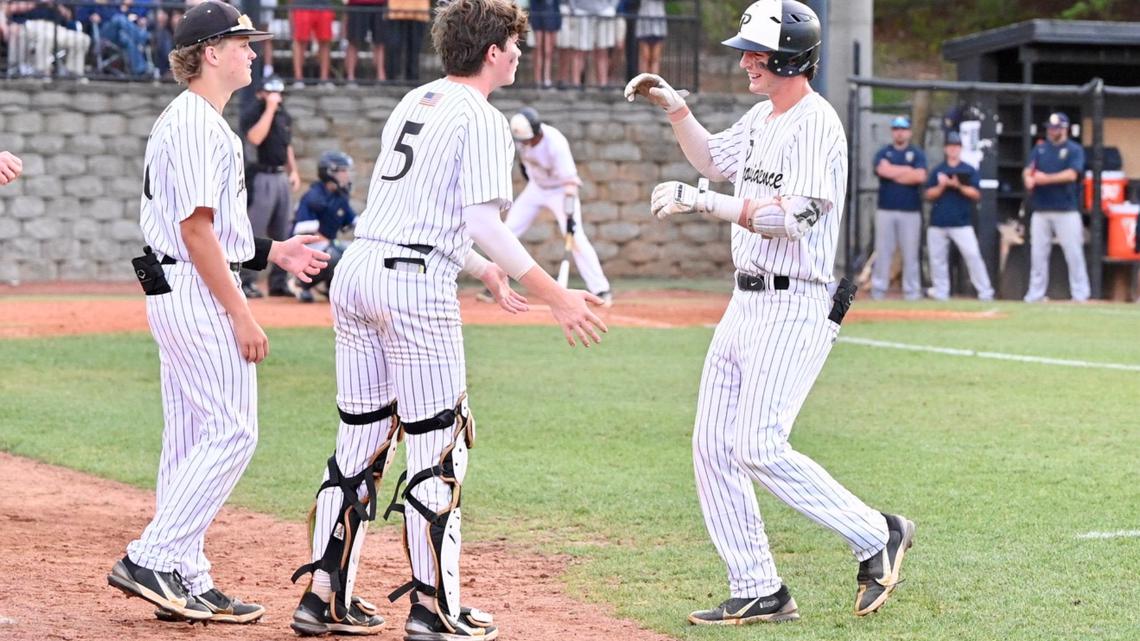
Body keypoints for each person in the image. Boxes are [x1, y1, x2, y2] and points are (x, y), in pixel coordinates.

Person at [287, 1, 607, 638]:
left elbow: (419, 211)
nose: (519, 54)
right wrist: (556, 295)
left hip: (358, 270)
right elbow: (483, 221)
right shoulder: (483, 117)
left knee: (358, 442)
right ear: (492, 52)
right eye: (514, 44)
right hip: (412, 286)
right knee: (438, 448)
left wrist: (481, 268)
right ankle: (434, 610)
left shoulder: (417, 99)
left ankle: (322, 598)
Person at [625, 0, 914, 624]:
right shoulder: (762, 116)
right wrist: (675, 109)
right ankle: (759, 586)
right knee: (711, 446)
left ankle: (877, 533)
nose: (746, 63)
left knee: (757, 443)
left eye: (756, 54)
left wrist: (705, 203)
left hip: (795, 300)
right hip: (745, 301)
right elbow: (713, 161)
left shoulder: (817, 124)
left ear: (789, 58)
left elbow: (795, 218)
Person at [104, 1, 329, 625]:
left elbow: (212, 233)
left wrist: (273, 251)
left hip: (176, 282)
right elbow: (196, 232)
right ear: (210, 52)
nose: (252, 53)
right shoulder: (197, 124)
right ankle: (152, 558)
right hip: (195, 288)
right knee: (234, 431)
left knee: (189, 439)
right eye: (242, 44)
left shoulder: (194, 119)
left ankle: (183, 574)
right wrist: (241, 313)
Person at [477, 107, 612, 305]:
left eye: (528, 140)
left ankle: (601, 290)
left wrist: (569, 214)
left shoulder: (555, 143)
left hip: (561, 191)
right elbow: (524, 165)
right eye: (523, 141)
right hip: (536, 188)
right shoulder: (521, 141)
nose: (526, 144)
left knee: (575, 238)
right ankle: (496, 284)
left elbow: (570, 182)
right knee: (507, 231)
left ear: (537, 131)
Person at [239, 73, 301, 298]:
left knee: (283, 230)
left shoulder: (285, 116)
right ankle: (246, 281)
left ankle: (279, 282)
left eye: (278, 93)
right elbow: (255, 138)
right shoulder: (253, 113)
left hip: (280, 176)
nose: (276, 96)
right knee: (255, 229)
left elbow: (287, 145)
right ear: (260, 94)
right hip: (260, 175)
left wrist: (293, 171)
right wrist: (270, 109)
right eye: (270, 92)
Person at [1022, 112, 1089, 303]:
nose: (1052, 131)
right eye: (1050, 128)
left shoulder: (1074, 149)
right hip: (1041, 209)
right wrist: (1028, 178)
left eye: (1056, 128)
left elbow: (1072, 175)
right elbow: (1028, 169)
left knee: (1073, 253)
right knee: (1038, 254)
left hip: (1066, 209)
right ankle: (1035, 294)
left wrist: (1045, 179)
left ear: (1065, 129)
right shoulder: (1040, 148)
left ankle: (1080, 294)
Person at [923, 131, 994, 301]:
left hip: (961, 222)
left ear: (960, 148)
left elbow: (976, 194)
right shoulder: (938, 170)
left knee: (973, 255)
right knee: (937, 260)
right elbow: (928, 194)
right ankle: (941, 292)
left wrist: (958, 185)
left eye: (956, 146)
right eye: (950, 146)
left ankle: (985, 292)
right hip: (939, 221)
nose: (953, 149)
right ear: (945, 149)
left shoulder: (968, 170)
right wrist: (942, 186)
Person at [871, 115, 927, 300]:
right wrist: (907, 171)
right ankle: (878, 291)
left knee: (910, 254)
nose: (900, 132)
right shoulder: (883, 152)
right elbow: (881, 170)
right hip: (885, 210)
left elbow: (920, 176)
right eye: (896, 129)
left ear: (909, 132)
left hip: (910, 211)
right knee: (883, 251)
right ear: (892, 132)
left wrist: (892, 171)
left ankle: (912, 292)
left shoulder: (917, 153)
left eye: (903, 129)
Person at [291, 150, 357, 303]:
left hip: (326, 245)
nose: (346, 175)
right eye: (342, 171)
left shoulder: (340, 196)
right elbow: (304, 232)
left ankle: (331, 286)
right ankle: (299, 283)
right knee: (334, 254)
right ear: (329, 173)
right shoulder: (314, 196)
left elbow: (355, 222)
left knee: (351, 251)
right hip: (305, 248)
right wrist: (333, 244)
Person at [291, 0, 335, 87]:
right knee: (300, 41)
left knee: (325, 41)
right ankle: (298, 79)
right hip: (302, 5)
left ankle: (324, 79)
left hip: (324, 6)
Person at [384, 0, 429, 81]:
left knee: (414, 47)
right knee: (394, 46)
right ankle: (392, 77)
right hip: (396, 11)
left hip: (418, 11)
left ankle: (412, 78)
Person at [345, 0, 387, 84]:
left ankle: (381, 77)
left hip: (379, 4)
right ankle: (350, 77)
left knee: (380, 42)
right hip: (357, 4)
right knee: (353, 41)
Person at [528, 0, 560, 87]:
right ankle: (537, 79)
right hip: (537, 18)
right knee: (538, 50)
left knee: (548, 52)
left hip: (551, 19)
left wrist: (557, 25)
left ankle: (547, 78)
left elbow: (556, 6)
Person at [634, 0, 665, 75]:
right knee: (645, 56)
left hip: (658, 23)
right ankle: (644, 80)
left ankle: (654, 80)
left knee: (655, 57)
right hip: (644, 22)